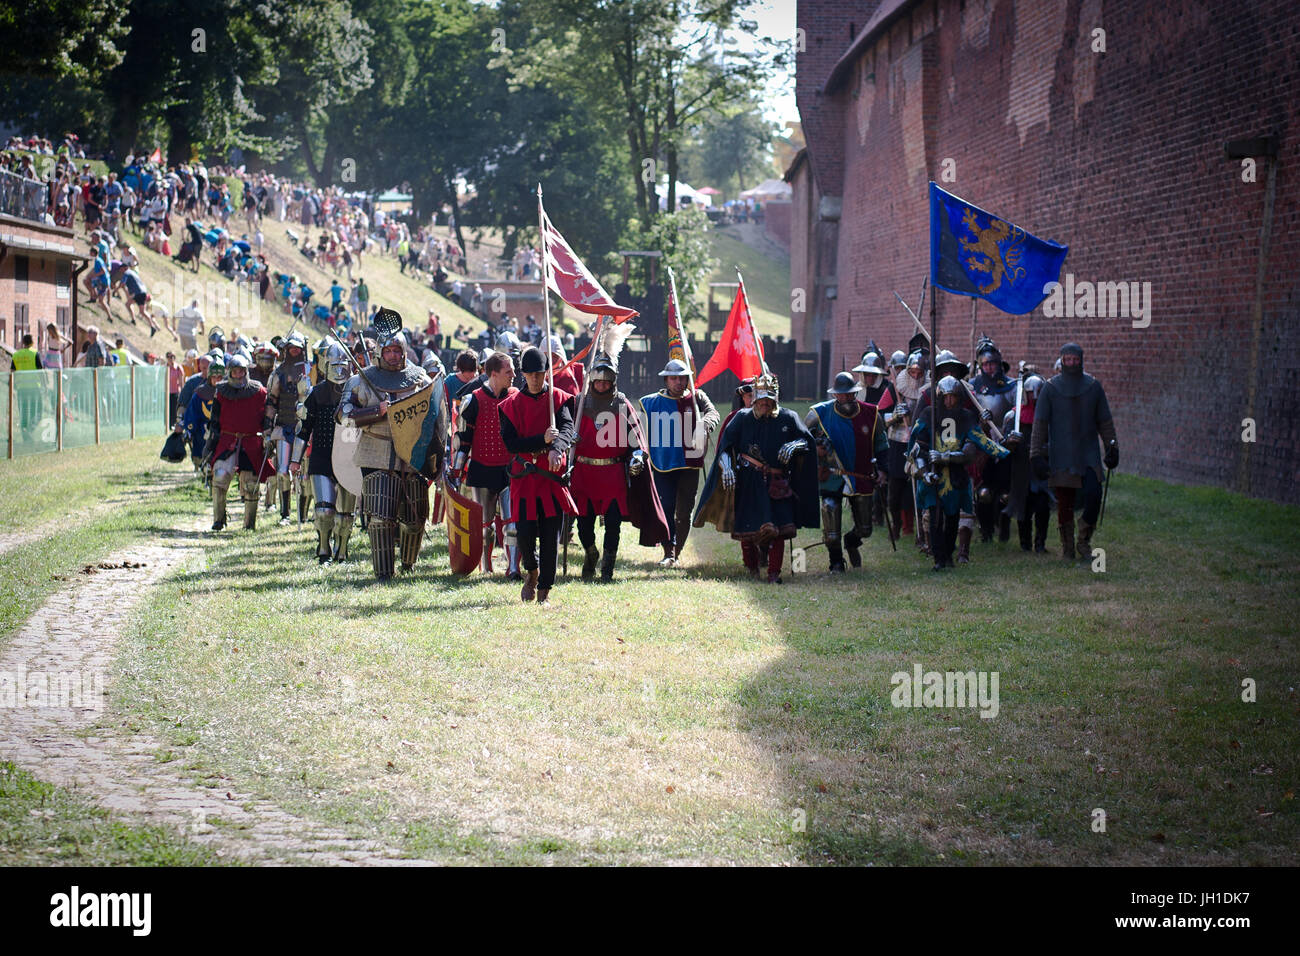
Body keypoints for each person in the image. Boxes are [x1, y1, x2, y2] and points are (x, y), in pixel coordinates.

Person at [694, 373, 819, 583]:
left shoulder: (788, 417)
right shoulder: (742, 418)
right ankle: (752, 568)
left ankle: (773, 573)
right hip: (749, 480)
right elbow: (725, 447)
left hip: (778, 482)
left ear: (775, 399)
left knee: (778, 529)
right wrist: (727, 469)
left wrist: (794, 445)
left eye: (769, 400)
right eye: (761, 400)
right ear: (755, 399)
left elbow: (807, 441)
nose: (765, 404)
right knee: (748, 528)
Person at [338, 313, 434, 580]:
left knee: (414, 520)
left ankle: (408, 565)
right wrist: (375, 411)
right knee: (380, 519)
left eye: (397, 350)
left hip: (412, 454)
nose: (393, 355)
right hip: (375, 452)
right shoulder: (360, 380)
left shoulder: (420, 379)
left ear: (404, 352)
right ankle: (383, 573)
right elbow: (344, 415)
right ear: (380, 352)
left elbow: (436, 414)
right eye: (388, 350)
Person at [570, 345, 669, 582]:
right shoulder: (579, 403)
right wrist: (567, 437)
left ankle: (607, 570)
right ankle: (591, 554)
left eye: (606, 382)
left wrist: (637, 455)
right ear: (591, 381)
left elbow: (637, 437)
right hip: (584, 473)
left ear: (613, 381)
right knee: (584, 525)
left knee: (613, 524)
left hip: (612, 474)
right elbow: (565, 431)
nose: (602, 386)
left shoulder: (622, 403)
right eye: (598, 381)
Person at [498, 346, 577, 605]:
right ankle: (531, 571)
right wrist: (541, 440)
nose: (535, 378)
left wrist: (556, 448)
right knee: (524, 535)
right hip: (525, 479)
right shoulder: (509, 406)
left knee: (550, 537)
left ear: (547, 373)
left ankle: (545, 589)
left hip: (550, 478)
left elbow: (566, 428)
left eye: (540, 373)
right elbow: (511, 444)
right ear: (523, 374)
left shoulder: (558, 399)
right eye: (530, 374)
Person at [1029, 343, 1118, 561]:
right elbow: (1040, 424)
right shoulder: (1050, 388)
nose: (1071, 363)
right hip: (1061, 453)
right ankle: (1067, 546)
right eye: (1067, 360)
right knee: (1065, 502)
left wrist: (1112, 447)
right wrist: (1036, 454)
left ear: (1080, 360)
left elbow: (1105, 422)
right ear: (1062, 361)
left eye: (1074, 360)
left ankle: (1084, 541)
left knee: (1093, 495)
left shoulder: (1093, 386)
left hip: (1088, 452)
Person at [910, 376, 1009, 570]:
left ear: (959, 397)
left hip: (955, 474)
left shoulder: (966, 417)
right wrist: (924, 473)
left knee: (953, 516)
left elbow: (979, 441)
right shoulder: (928, 414)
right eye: (946, 397)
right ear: (939, 397)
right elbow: (916, 447)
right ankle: (938, 558)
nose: (949, 401)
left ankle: (948, 555)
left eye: (953, 397)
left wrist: (1004, 448)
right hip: (933, 474)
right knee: (935, 517)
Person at [805, 372, 890, 573]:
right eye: (841, 395)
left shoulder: (871, 414)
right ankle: (836, 562)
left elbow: (882, 445)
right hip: (832, 474)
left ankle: (851, 542)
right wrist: (816, 446)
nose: (845, 398)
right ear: (835, 395)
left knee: (865, 529)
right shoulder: (819, 413)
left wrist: (884, 470)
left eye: (849, 394)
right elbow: (802, 437)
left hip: (861, 474)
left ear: (854, 393)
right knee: (830, 513)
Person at [639, 359, 720, 567]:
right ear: (666, 379)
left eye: (682, 378)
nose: (678, 382)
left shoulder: (697, 396)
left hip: (689, 464)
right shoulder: (650, 402)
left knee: (684, 511)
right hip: (663, 462)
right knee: (665, 507)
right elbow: (634, 425)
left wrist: (705, 424)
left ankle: (676, 552)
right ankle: (669, 551)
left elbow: (713, 413)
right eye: (674, 378)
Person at [450, 350, 521, 577]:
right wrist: (457, 469)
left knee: (512, 525)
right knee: (485, 527)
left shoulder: (516, 397)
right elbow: (464, 439)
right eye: (508, 371)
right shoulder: (474, 400)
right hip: (482, 469)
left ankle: (512, 569)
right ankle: (486, 567)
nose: (513, 375)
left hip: (509, 469)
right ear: (493, 374)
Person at [291, 343, 357, 563]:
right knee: (324, 511)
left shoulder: (358, 391)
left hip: (350, 459)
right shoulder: (317, 393)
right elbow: (303, 430)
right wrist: (295, 460)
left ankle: (342, 549)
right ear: (326, 365)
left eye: (343, 365)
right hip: (321, 457)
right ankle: (323, 549)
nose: (339, 370)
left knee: (345, 517)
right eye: (334, 365)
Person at [202, 355, 267, 531]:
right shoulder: (221, 391)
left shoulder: (259, 391)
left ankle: (249, 524)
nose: (238, 375)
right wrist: (210, 445)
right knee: (220, 476)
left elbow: (267, 417)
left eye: (241, 371)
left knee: (251, 484)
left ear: (246, 371)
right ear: (229, 372)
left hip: (251, 442)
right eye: (235, 371)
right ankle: (219, 519)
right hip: (227, 440)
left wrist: (268, 437)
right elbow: (215, 421)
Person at [968, 335, 1020, 544]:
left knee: (1005, 493)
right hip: (983, 445)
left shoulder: (1011, 386)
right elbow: (967, 416)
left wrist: (1010, 423)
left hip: (1005, 442)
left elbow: (1017, 409)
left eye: (993, 363)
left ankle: (1004, 527)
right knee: (984, 492)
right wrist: (980, 424)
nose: (990, 368)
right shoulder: (972, 388)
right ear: (980, 365)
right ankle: (986, 530)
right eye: (986, 364)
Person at [262, 332, 311, 524]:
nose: (294, 351)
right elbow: (271, 401)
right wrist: (267, 428)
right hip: (284, 427)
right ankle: (285, 514)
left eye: (297, 348)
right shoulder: (279, 373)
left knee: (305, 476)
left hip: (306, 429)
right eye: (291, 348)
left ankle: (303, 514)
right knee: (282, 471)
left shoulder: (311, 370)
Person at [1001, 374, 1051, 553]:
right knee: (1023, 507)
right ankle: (1025, 543)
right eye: (1031, 393)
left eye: (1038, 392)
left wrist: (1041, 450)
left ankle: (1040, 543)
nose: (1035, 397)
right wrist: (1011, 443)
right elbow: (1004, 444)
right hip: (1021, 467)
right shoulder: (1014, 415)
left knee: (1042, 506)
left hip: (1040, 467)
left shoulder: (1050, 415)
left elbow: (1056, 442)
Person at [891, 348, 929, 549]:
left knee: (915, 490)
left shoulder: (930, 392)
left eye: (919, 373)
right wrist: (895, 415)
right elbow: (878, 417)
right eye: (912, 372)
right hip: (899, 443)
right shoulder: (895, 388)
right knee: (895, 489)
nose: (915, 376)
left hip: (919, 443)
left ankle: (917, 531)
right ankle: (896, 528)